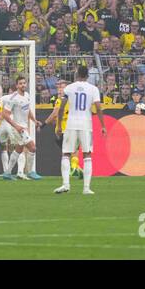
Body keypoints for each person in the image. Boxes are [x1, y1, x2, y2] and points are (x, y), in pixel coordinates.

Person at [49, 65, 105, 195]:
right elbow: (98, 108)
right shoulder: (93, 89)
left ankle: (65, 185)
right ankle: (86, 188)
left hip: (71, 124)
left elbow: (61, 108)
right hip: (86, 124)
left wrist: (58, 125)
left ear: (77, 74)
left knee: (66, 153)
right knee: (87, 155)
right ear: (87, 76)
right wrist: (103, 125)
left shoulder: (69, 88)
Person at [0, 76, 40, 180]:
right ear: (17, 85)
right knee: (32, 147)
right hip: (17, 128)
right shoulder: (13, 98)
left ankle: (7, 173)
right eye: (20, 83)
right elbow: (5, 114)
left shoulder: (26, 95)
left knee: (18, 150)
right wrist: (16, 126)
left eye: (24, 83)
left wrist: (34, 121)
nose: (23, 85)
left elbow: (27, 111)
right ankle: (30, 171)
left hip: (23, 127)